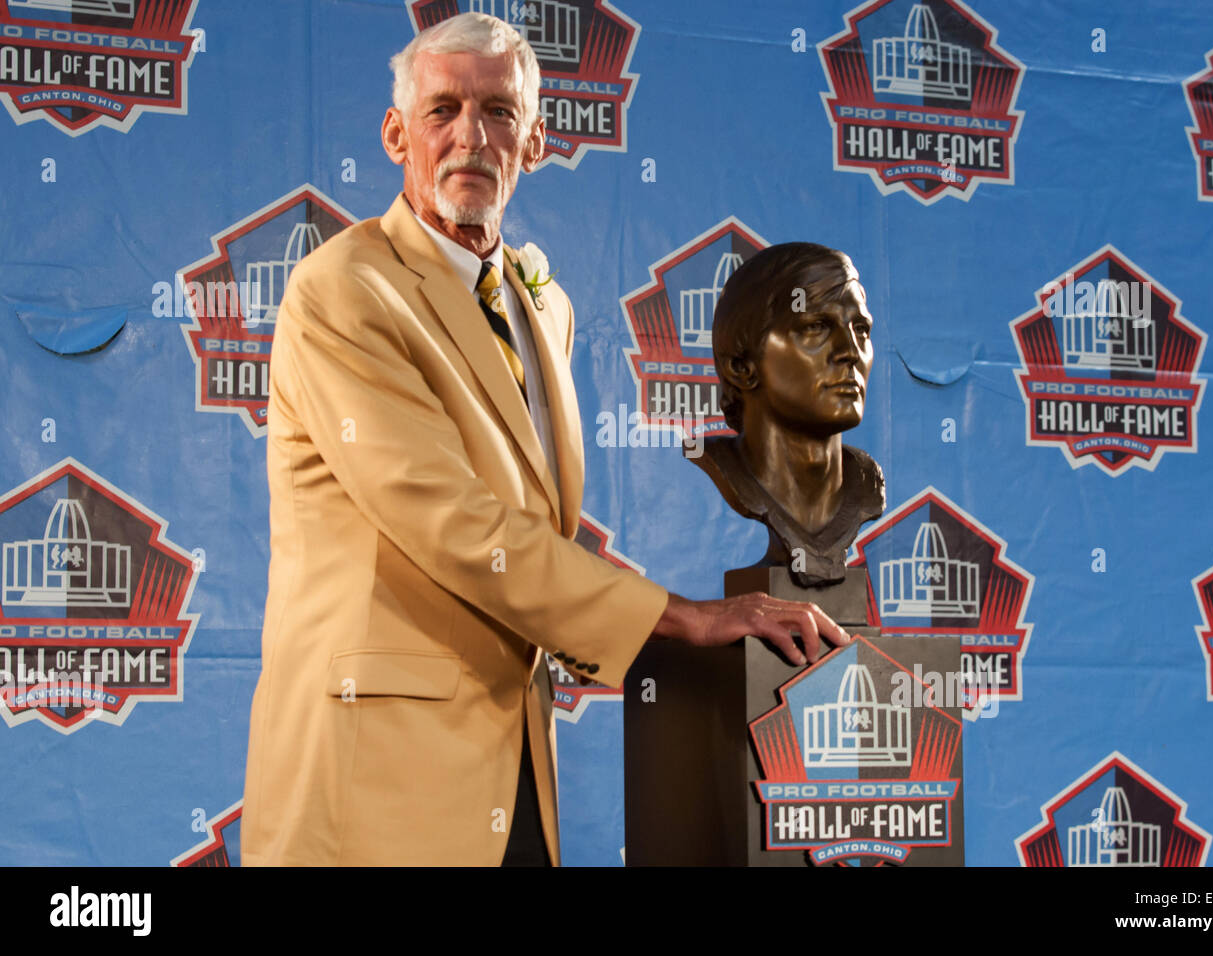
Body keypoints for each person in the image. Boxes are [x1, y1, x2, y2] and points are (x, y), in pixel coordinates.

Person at [240, 13, 848, 867]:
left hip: (515, 763)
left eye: (497, 113)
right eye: (443, 109)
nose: (469, 137)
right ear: (394, 135)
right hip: (374, 778)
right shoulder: (344, 290)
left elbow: (530, 527)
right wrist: (680, 619)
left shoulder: (542, 304)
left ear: (533, 141)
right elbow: (454, 523)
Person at [691, 242, 885, 586]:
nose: (849, 352)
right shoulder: (721, 464)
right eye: (815, 327)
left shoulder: (866, 484)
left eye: (861, 330)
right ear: (742, 366)